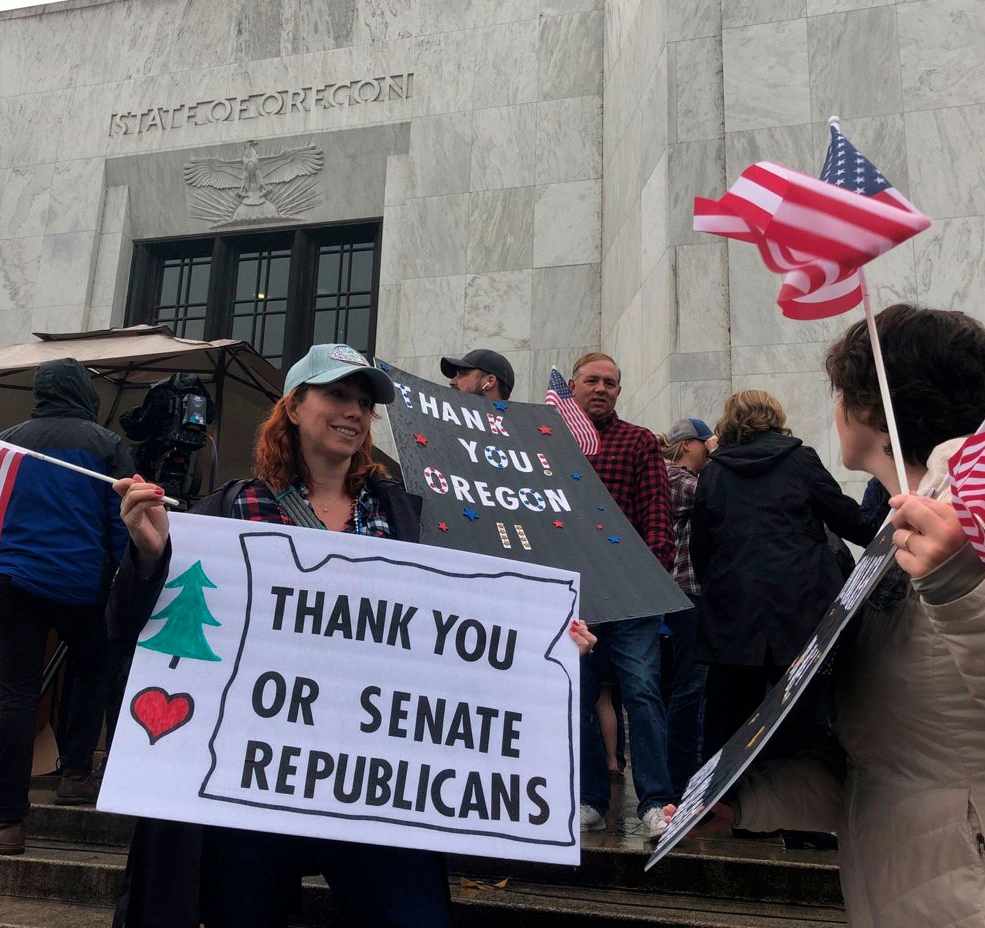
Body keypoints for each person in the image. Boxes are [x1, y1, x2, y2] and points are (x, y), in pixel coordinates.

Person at [107, 342, 594, 927]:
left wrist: (545, 639)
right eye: (337, 394)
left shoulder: (409, 517)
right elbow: (130, 630)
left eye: (364, 402)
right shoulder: (227, 513)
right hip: (255, 783)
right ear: (292, 406)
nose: (354, 412)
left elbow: (466, 622)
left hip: (377, 785)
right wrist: (151, 556)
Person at [676, 305, 985, 925]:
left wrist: (972, 588)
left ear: (866, 410)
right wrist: (750, 799)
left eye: (838, 393)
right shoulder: (904, 534)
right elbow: (890, 766)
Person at [0, 358, 134, 855]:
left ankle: (6, 821)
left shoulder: (3, 442)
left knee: (17, 693)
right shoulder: (106, 444)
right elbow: (120, 523)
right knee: (92, 673)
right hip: (86, 583)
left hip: (14, 581)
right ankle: (76, 774)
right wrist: (126, 591)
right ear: (84, 392)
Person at [690, 391, 875, 769]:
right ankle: (803, 811)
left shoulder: (713, 471)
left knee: (733, 715)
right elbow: (850, 522)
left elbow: (701, 549)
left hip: (733, 610)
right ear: (774, 416)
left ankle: (736, 806)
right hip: (802, 606)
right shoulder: (800, 460)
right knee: (804, 709)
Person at [568, 352, 676, 838]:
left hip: (630, 593)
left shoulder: (637, 441)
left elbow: (656, 511)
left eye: (611, 382)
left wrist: (651, 574)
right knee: (579, 697)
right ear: (573, 385)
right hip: (575, 594)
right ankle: (590, 798)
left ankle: (655, 801)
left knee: (643, 693)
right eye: (592, 380)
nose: (602, 388)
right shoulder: (552, 444)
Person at [659, 418, 713, 800]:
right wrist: (724, 449)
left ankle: (683, 768)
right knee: (690, 684)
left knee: (694, 683)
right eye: (705, 444)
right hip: (687, 591)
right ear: (689, 445)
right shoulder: (674, 477)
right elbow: (711, 496)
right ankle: (680, 775)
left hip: (690, 593)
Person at [440, 348, 514, 401]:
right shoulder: (444, 420)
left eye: (462, 374)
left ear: (490, 381)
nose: (452, 382)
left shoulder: (515, 422)